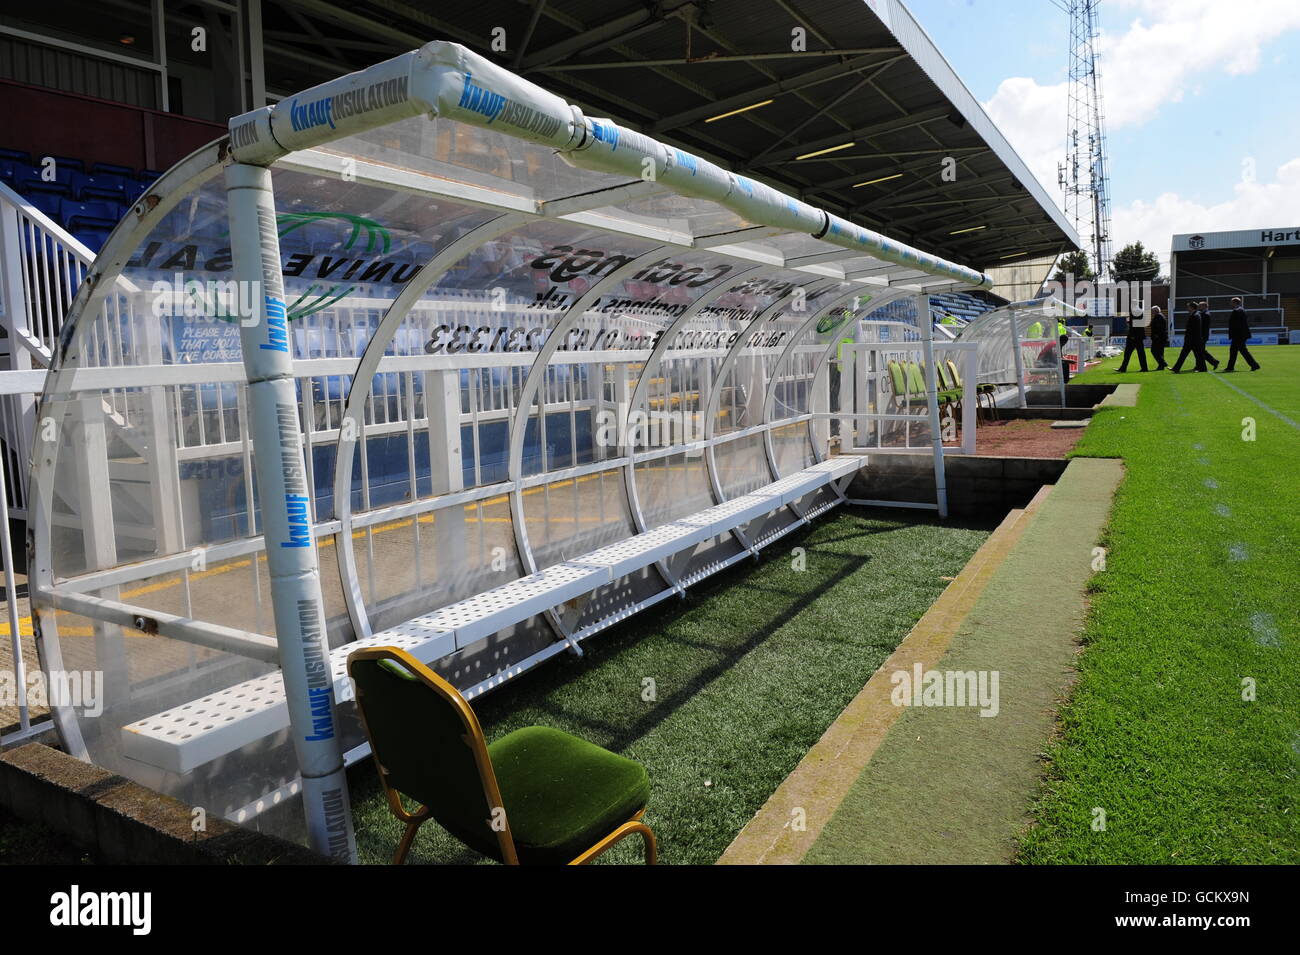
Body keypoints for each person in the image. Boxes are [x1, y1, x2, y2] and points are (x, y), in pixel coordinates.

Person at [1224, 296, 1261, 371]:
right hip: (1241, 335)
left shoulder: (1237, 311)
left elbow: (1236, 325)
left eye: (1231, 302)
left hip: (1238, 335)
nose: (1230, 303)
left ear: (1234, 302)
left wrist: (1234, 334)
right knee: (1234, 350)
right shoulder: (1241, 310)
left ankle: (1254, 365)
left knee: (1242, 351)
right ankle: (1230, 367)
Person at [1198, 300, 1220, 369]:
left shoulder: (1206, 314)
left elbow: (1203, 327)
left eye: (1200, 305)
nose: (1199, 307)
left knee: (1201, 351)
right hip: (1202, 335)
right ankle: (1214, 362)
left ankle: (1214, 362)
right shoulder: (1203, 313)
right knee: (1201, 351)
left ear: (1204, 306)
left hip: (1203, 336)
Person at [1149, 305, 1169, 370]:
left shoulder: (1158, 316)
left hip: (1158, 338)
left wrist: (1156, 335)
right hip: (1161, 337)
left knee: (1154, 351)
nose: (1151, 312)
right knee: (1160, 352)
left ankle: (1163, 363)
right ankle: (1161, 366)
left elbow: (1159, 327)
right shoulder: (1160, 316)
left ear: (1155, 311)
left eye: (1152, 311)